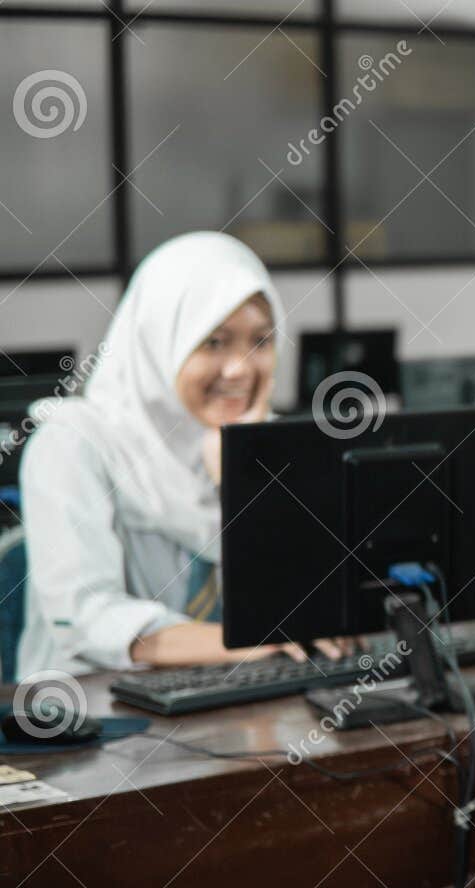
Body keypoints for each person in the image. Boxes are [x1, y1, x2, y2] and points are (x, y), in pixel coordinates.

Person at [18, 231, 345, 676]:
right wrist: (249, 642)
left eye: (260, 342)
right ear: (158, 340)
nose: (240, 369)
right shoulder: (72, 446)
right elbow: (85, 620)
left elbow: (298, 601)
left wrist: (238, 478)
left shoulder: (269, 441)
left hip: (229, 703)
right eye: (214, 342)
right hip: (88, 718)